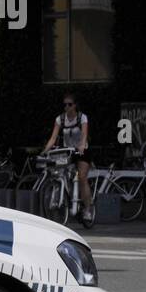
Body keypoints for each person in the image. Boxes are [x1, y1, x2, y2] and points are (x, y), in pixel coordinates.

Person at [43, 93, 93, 223]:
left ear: (75, 105)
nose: (66, 107)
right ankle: (65, 197)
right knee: (59, 173)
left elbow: (84, 135)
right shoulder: (60, 119)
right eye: (64, 104)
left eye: (69, 104)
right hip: (67, 152)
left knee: (82, 177)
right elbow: (53, 138)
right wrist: (45, 151)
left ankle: (87, 209)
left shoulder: (82, 118)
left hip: (81, 151)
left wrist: (82, 145)